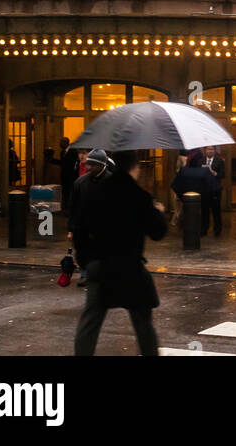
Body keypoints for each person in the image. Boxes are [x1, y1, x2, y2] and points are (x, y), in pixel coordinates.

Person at [73, 150, 167, 357]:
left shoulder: (95, 192)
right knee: (143, 323)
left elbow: (79, 228)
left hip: (100, 263)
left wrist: (85, 260)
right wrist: (158, 212)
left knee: (90, 321)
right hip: (130, 266)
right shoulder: (139, 196)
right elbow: (158, 233)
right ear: (134, 168)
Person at [69, 148, 114, 286]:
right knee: (82, 250)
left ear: (102, 165)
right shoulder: (80, 182)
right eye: (88, 164)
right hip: (83, 224)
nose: (88, 167)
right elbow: (73, 207)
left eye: (92, 164)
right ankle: (84, 274)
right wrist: (71, 229)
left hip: (104, 225)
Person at [171, 152, 217, 234]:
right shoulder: (203, 172)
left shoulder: (184, 171)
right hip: (201, 197)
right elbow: (212, 186)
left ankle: (185, 228)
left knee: (188, 215)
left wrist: (182, 195)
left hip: (187, 198)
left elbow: (175, 185)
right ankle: (201, 229)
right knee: (200, 214)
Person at [203, 146, 226, 235]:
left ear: (214, 151)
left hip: (215, 189)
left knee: (216, 210)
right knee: (204, 210)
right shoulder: (200, 161)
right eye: (208, 149)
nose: (210, 151)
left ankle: (217, 230)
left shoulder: (219, 161)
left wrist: (215, 173)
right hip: (204, 189)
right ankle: (204, 228)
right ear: (205, 150)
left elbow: (223, 174)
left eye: (212, 149)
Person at [59, 137, 79, 210]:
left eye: (62, 142)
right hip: (64, 176)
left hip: (72, 176)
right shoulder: (62, 152)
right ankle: (66, 208)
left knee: (71, 192)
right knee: (65, 192)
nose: (60, 144)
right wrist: (51, 160)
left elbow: (74, 164)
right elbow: (62, 163)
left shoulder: (73, 151)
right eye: (60, 142)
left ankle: (71, 208)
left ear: (67, 143)